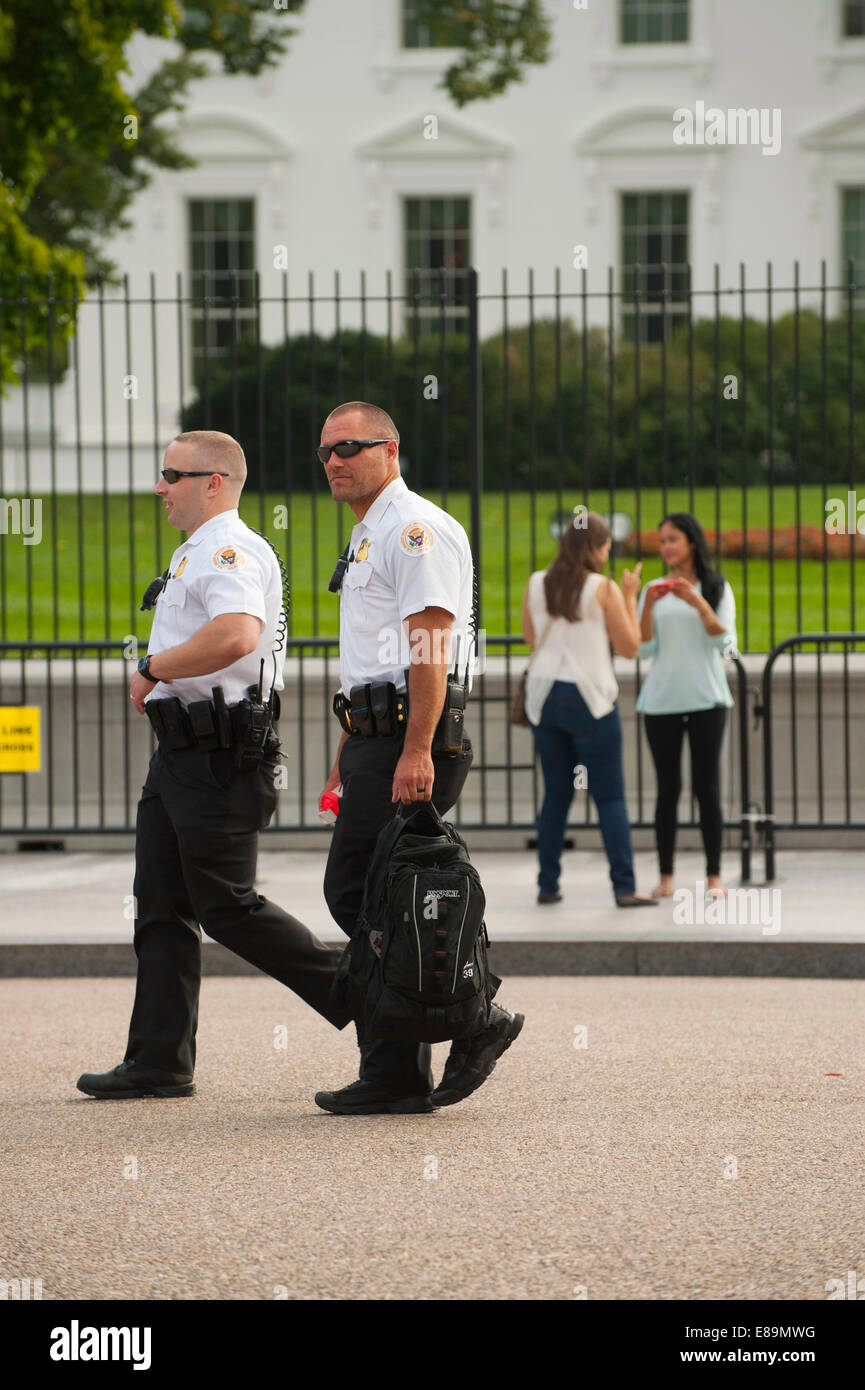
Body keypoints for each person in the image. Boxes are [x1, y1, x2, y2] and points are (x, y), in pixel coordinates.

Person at [77, 430, 352, 1099]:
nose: (159, 487)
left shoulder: (229, 549)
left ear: (214, 483)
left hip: (220, 753)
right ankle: (158, 1059)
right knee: (161, 907)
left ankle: (370, 998)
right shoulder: (194, 551)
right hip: (180, 753)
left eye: (172, 475)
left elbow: (235, 635)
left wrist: (152, 667)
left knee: (228, 908)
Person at [316, 400, 524, 1115]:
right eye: (326, 451)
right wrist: (349, 747)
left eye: (350, 447)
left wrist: (413, 750)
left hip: (413, 739)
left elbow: (431, 643)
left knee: (357, 891)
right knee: (381, 897)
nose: (335, 461)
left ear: (390, 450)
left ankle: (476, 1016)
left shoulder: (413, 530)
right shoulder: (371, 533)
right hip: (379, 737)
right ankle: (395, 1072)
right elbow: (372, 659)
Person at [521, 511, 656, 909]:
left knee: (556, 796)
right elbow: (630, 647)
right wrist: (630, 594)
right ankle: (624, 887)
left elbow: (530, 637)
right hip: (590, 700)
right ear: (596, 548)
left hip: (544, 699)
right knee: (609, 798)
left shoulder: (536, 582)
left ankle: (547, 884)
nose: (607, 554)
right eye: (607, 548)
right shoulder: (603, 587)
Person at [637, 512, 737, 900]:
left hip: (707, 699)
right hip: (661, 701)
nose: (666, 547)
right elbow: (645, 649)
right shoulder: (654, 589)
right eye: (662, 540)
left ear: (692, 542)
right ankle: (665, 878)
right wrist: (647, 606)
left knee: (706, 788)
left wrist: (697, 602)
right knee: (668, 789)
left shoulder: (716, 587)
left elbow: (724, 643)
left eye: (672, 539)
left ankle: (714, 877)